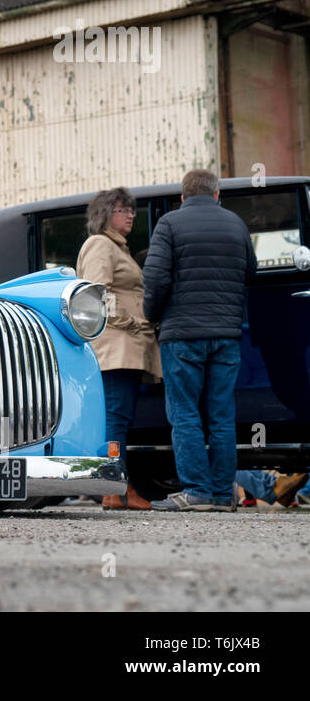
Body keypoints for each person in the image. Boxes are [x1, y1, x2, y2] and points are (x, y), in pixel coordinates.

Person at [143, 169, 256, 512]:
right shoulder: (236, 223)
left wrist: (152, 315)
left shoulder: (169, 224)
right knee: (221, 416)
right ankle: (223, 495)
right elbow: (250, 272)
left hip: (182, 335)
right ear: (217, 194)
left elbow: (156, 278)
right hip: (226, 335)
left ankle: (197, 492)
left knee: (186, 413)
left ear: (183, 196)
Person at [75, 188, 160, 510]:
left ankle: (118, 486)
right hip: (115, 346)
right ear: (106, 214)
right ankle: (115, 487)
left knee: (119, 418)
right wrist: (132, 322)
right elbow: (96, 294)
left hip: (126, 346)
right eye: (123, 210)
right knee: (114, 418)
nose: (131, 215)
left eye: (131, 210)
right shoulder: (100, 245)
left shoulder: (117, 248)